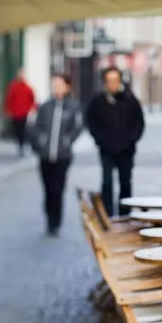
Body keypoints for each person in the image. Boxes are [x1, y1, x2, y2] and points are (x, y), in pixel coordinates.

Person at [27, 73, 83, 237]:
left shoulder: (72, 106)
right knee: (48, 188)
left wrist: (68, 140)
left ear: (67, 87)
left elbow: (78, 127)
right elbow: (34, 127)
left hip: (63, 156)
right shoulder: (45, 106)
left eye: (60, 84)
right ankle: (49, 216)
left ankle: (55, 222)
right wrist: (39, 142)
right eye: (54, 84)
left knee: (58, 188)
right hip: (45, 156)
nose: (56, 87)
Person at [86, 66, 145, 217]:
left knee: (125, 183)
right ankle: (108, 215)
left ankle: (125, 215)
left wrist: (131, 139)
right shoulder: (98, 100)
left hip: (126, 150)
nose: (112, 84)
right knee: (106, 182)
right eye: (109, 80)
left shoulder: (129, 99)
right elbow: (91, 121)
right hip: (106, 149)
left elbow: (139, 122)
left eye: (115, 80)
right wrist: (100, 139)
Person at [4, 69, 35, 156]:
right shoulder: (13, 86)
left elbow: (32, 99)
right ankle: (20, 144)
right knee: (17, 130)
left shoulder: (27, 87)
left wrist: (31, 109)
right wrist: (8, 111)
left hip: (23, 112)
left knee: (23, 129)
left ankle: (22, 145)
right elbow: (9, 99)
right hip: (15, 112)